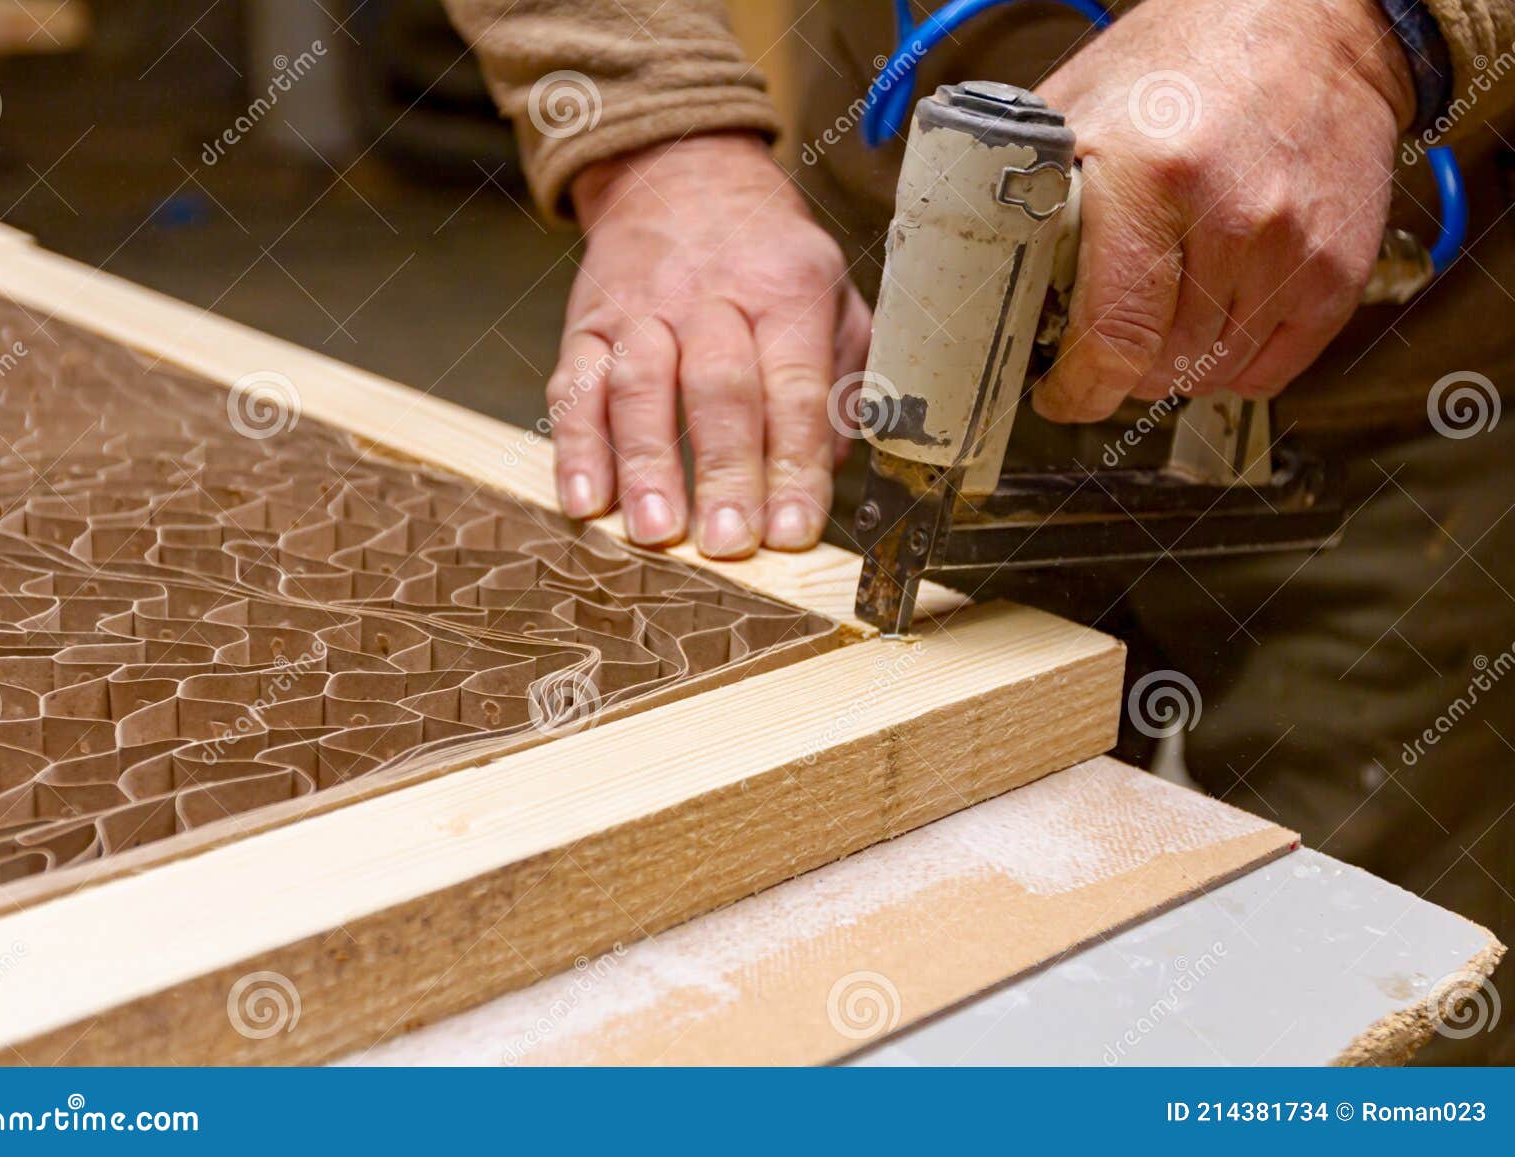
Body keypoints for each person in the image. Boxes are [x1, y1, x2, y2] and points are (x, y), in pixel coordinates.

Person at [442, 0, 1515, 1061]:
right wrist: (662, 138)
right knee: (845, 949)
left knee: (1353, 1001)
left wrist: (1354, 33)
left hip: (1435, 378)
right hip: (914, 306)